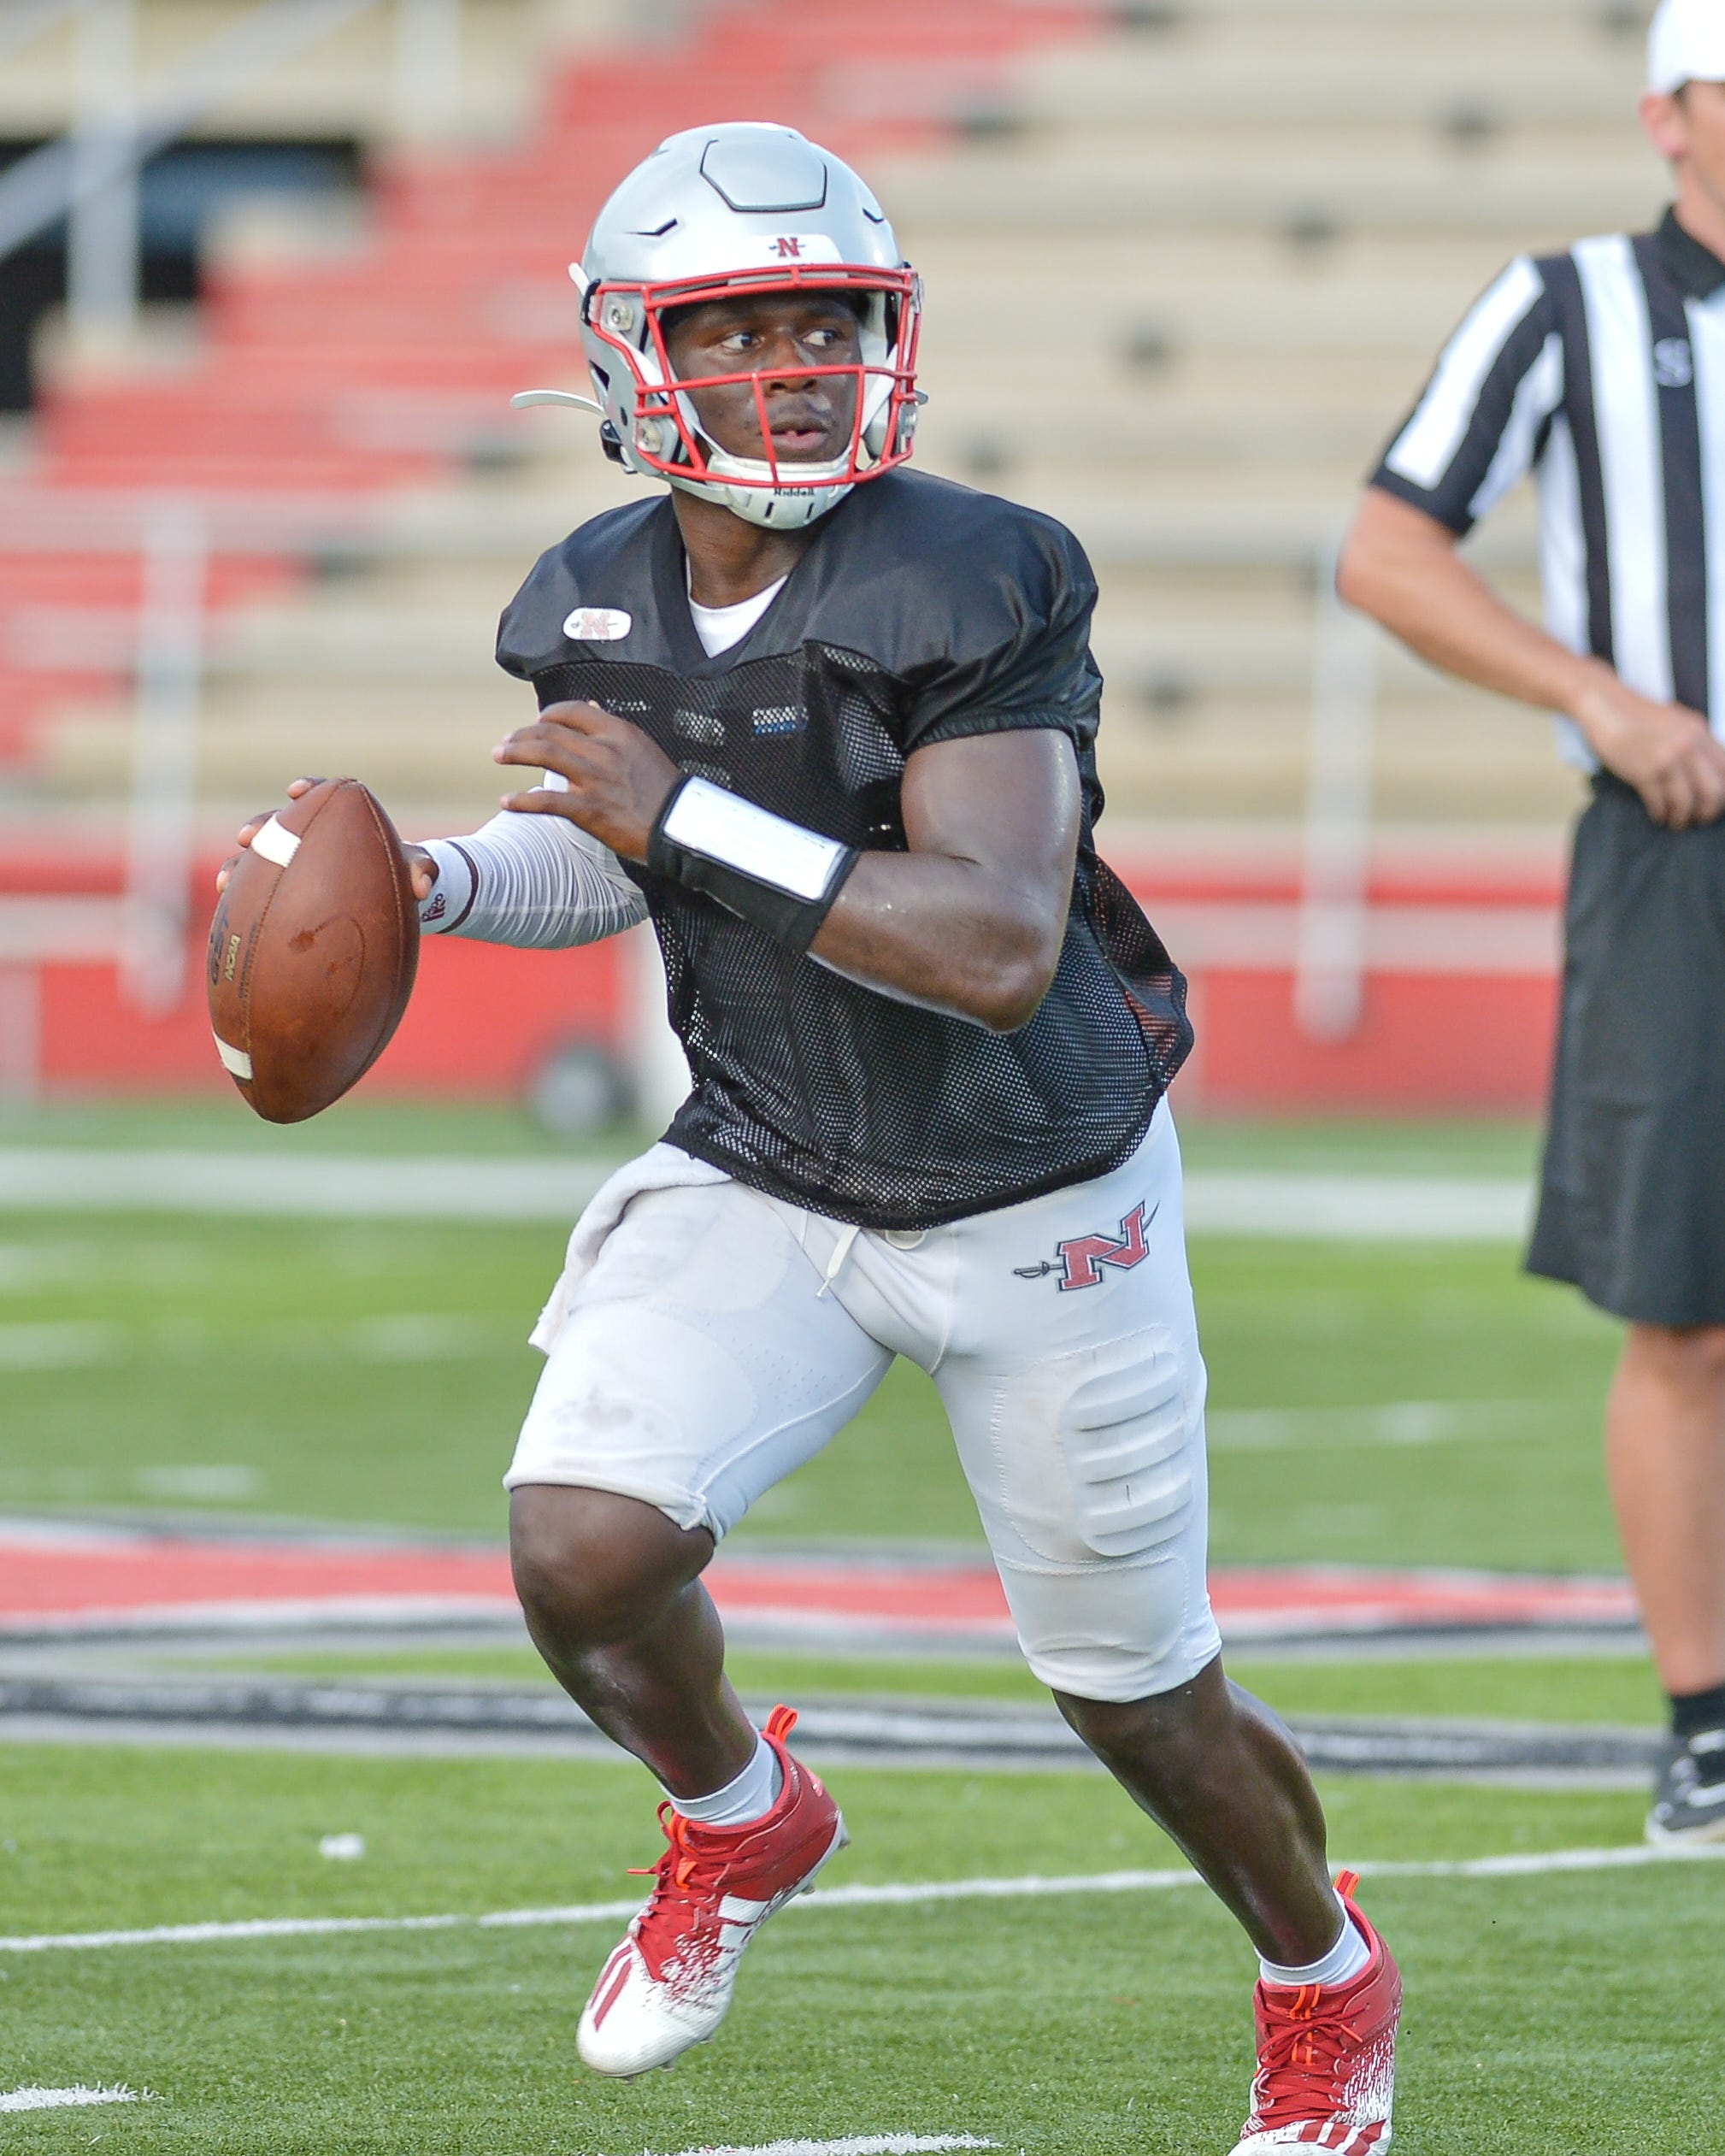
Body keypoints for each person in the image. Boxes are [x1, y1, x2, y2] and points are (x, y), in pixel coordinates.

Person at [229, 122, 1400, 2153]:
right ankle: (737, 1820)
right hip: (771, 1157)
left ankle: (1323, 1974)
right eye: (732, 322)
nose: (785, 360)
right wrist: (434, 881)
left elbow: (995, 940)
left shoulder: (969, 570)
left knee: (1139, 1698)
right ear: (628, 358)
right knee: (580, 1544)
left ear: (890, 334)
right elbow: (613, 868)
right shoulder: (589, 598)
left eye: (822, 315)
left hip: (1034, 1196)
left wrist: (669, 816)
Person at [1338, 0, 1725, 1847]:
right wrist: (1600, 697)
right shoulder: (1569, 301)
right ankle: (1706, 1720)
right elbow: (1389, 544)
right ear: (1668, 113)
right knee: (1682, 1307)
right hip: (1686, 842)